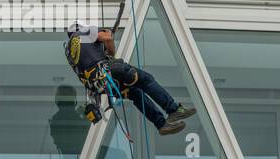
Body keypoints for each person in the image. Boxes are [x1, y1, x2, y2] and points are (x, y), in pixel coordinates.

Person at [63, 21, 195, 136]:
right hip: (109, 71)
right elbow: (107, 37)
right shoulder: (85, 31)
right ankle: (173, 109)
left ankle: (161, 124)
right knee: (146, 80)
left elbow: (87, 62)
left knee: (135, 93)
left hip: (100, 86)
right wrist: (109, 51)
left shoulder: (69, 51)